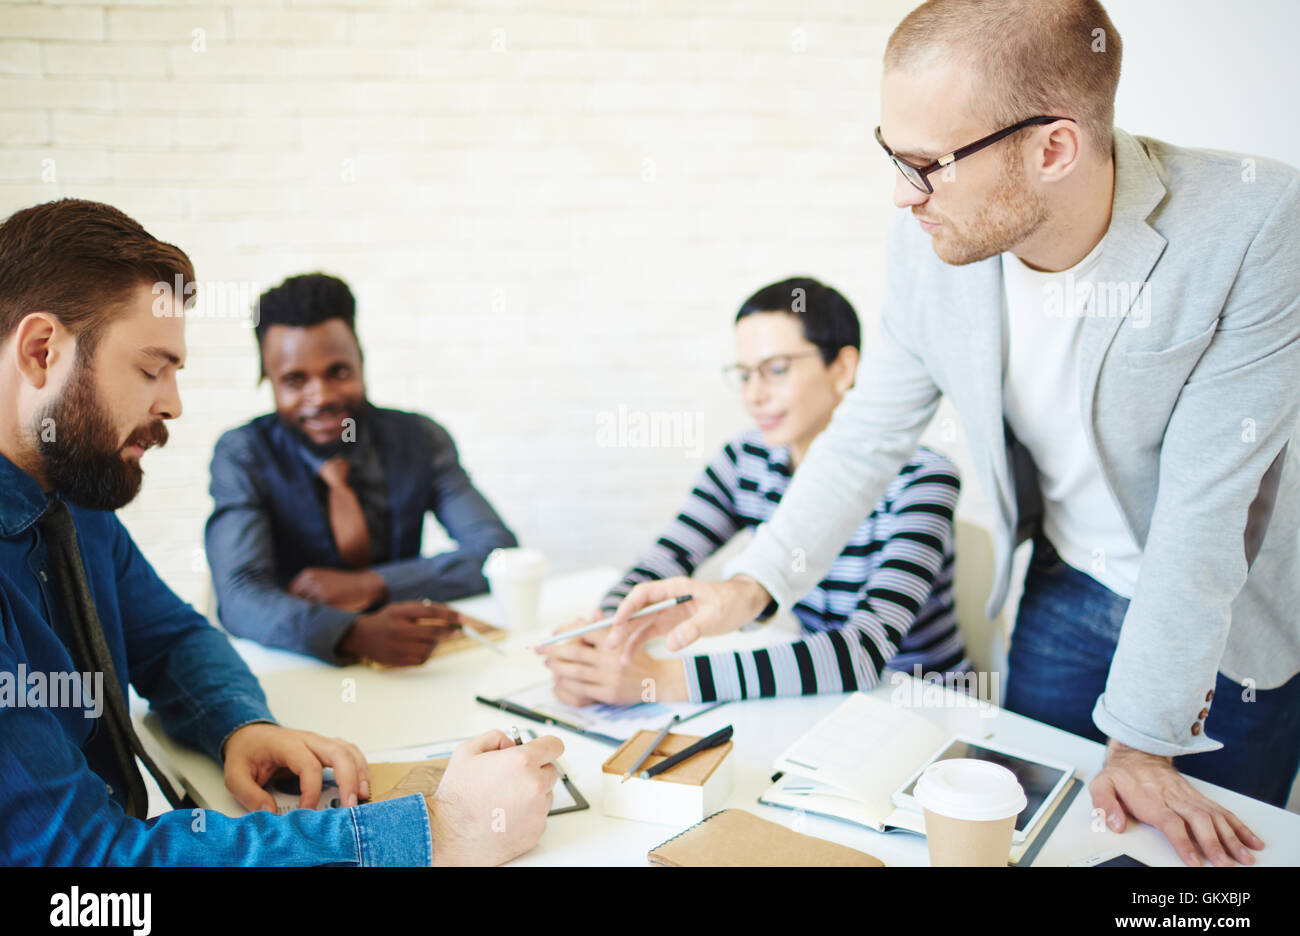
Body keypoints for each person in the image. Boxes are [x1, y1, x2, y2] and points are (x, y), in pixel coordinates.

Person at [603, 0, 1300, 868]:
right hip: (1064, 587)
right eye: (892, 154)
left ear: (1053, 148)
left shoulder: (1254, 221)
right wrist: (750, 588)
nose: (902, 191)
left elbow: (1209, 507)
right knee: (1030, 838)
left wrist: (1145, 738)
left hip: (1223, 618)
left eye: (927, 163)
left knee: (1189, 881)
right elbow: (867, 434)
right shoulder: (932, 238)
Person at [0, 199, 560, 865]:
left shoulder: (75, 502)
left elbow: (173, 638)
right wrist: (439, 829)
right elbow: (88, 865)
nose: (173, 403)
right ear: (41, 351)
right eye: (152, 369)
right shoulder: (228, 457)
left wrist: (239, 725)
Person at [539, 278, 965, 705]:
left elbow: (863, 652)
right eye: (743, 376)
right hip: (823, 703)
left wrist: (660, 680)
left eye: (776, 370)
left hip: (925, 706)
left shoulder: (923, 478)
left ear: (842, 369)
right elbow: (664, 561)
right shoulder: (747, 460)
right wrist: (600, 639)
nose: (754, 395)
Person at [206, 273, 518, 666]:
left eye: (338, 372)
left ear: (361, 362)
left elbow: (498, 552)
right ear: (268, 381)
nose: (320, 397)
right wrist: (351, 633)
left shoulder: (420, 438)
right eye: (295, 380)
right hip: (295, 664)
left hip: (411, 664)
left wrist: (372, 584)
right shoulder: (243, 454)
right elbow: (238, 596)